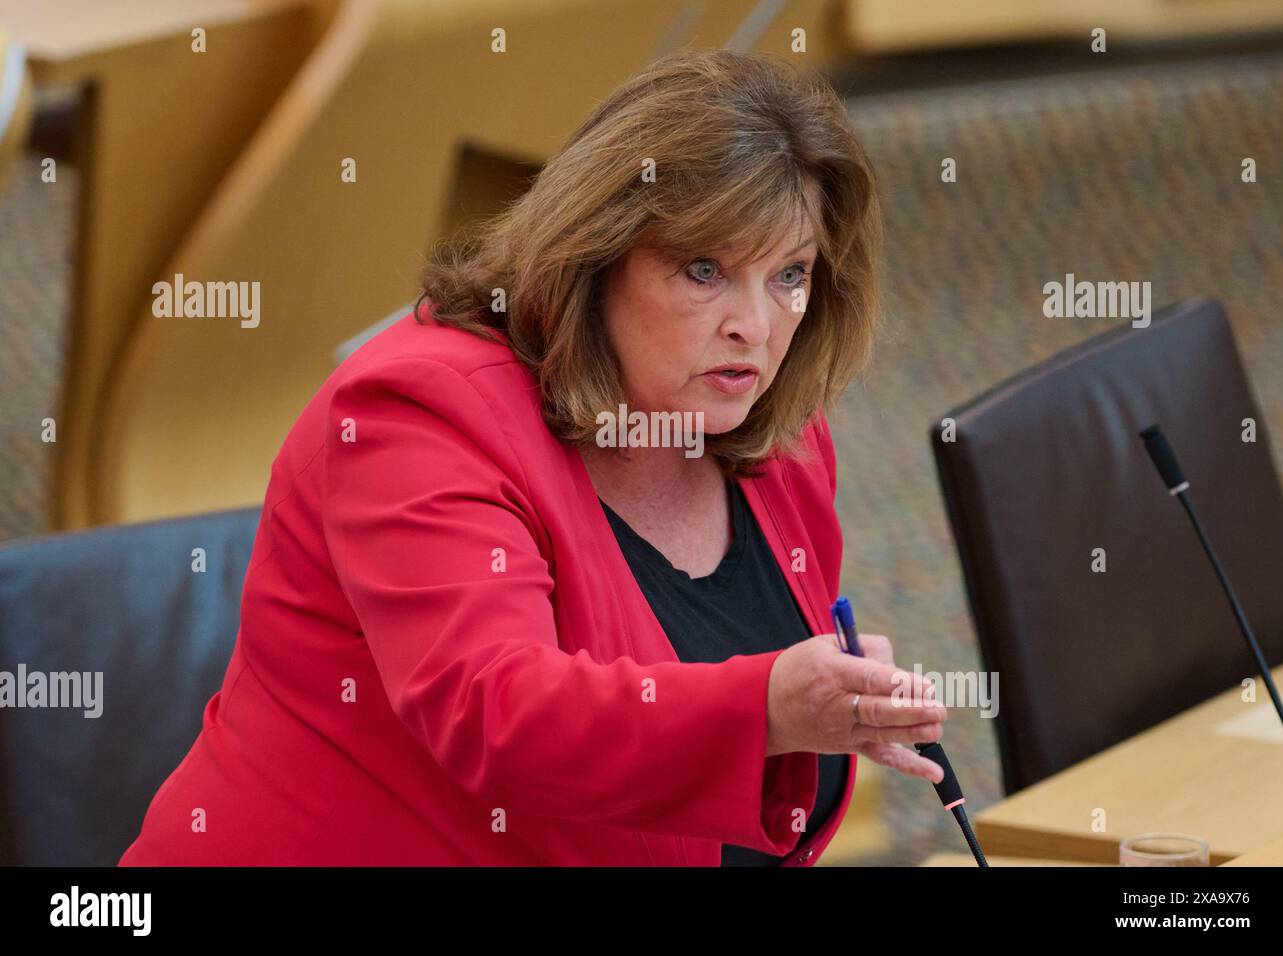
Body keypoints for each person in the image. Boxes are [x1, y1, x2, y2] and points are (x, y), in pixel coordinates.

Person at [118, 48, 946, 867]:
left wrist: (826, 706)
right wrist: (767, 706)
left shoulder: (779, 433)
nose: (755, 327)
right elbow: (495, 711)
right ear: (597, 258)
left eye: (789, 274)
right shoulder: (421, 414)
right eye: (705, 270)